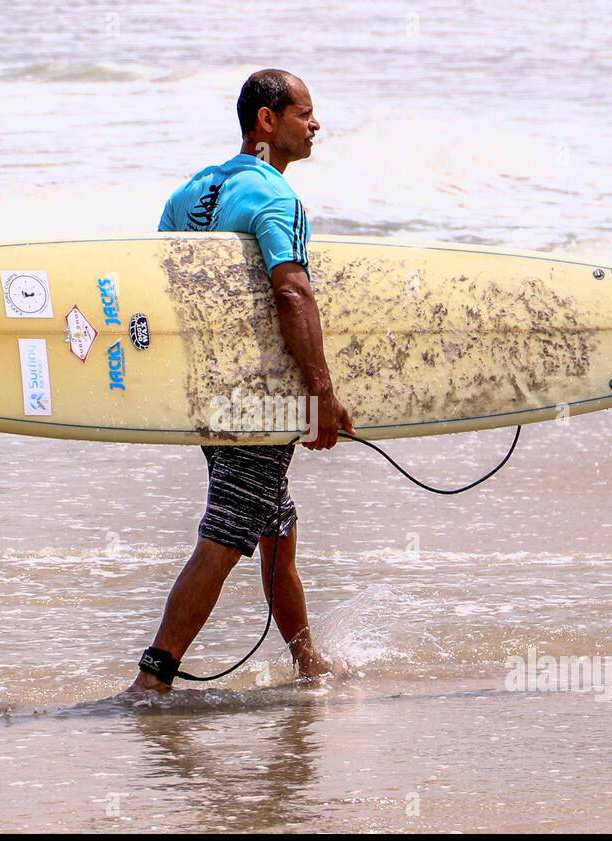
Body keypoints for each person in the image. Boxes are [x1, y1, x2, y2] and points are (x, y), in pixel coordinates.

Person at [125, 69, 356, 695]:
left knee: (274, 525)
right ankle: (154, 678)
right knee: (228, 533)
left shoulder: (189, 193)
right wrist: (320, 393)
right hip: (259, 395)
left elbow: (166, 295)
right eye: (305, 113)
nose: (315, 125)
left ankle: (308, 662)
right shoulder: (277, 199)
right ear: (267, 120)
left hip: (209, 389)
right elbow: (291, 289)